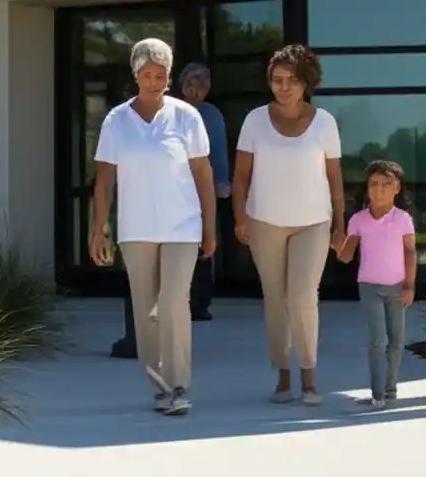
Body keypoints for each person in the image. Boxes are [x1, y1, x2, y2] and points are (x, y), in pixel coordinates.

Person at [89, 38, 218, 416]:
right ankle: (160, 386)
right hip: (136, 229)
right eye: (146, 74)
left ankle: (180, 385)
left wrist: (210, 228)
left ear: (169, 75)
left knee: (175, 304)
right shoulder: (116, 121)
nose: (153, 81)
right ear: (136, 74)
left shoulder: (186, 117)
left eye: (160, 75)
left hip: (182, 227)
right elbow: (104, 180)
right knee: (146, 310)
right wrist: (101, 228)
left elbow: (204, 176)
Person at [231, 43, 344, 406]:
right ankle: (283, 379)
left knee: (302, 297)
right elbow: (240, 179)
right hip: (265, 221)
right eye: (277, 80)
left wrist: (340, 225)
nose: (283, 87)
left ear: (306, 82)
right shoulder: (254, 121)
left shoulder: (325, 122)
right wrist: (239, 217)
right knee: (275, 301)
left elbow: (334, 179)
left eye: (292, 80)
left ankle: (309, 380)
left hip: (313, 221)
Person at [334, 159, 417, 409]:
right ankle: (378, 392)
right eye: (373, 184)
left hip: (397, 286)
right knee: (378, 341)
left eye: (385, 184)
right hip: (369, 287)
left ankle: (390, 389)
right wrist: (336, 242)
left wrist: (409, 285)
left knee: (396, 341)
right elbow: (346, 255)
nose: (378, 190)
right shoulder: (359, 220)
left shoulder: (403, 219)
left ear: (397, 188)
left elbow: (410, 252)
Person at [178, 63, 230, 321]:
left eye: (201, 84)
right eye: (190, 83)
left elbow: (218, 153)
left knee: (204, 247)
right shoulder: (172, 112)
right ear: (182, 86)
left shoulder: (212, 115)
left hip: (205, 191)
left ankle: (199, 302)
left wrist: (222, 185)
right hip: (176, 190)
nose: (195, 89)